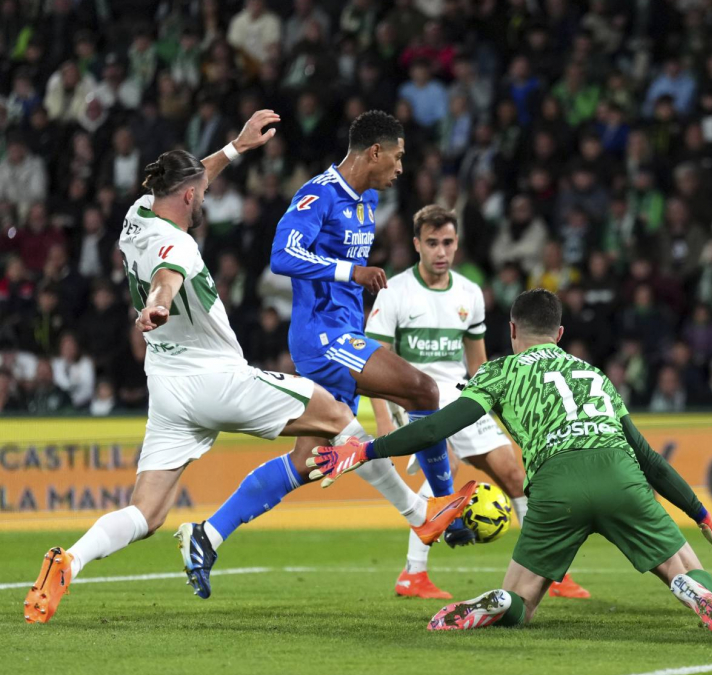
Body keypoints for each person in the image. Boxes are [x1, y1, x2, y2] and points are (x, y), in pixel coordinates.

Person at [22, 112, 475, 624]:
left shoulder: (137, 215)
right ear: (189, 198)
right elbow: (170, 274)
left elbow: (193, 181)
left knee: (146, 514)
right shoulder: (182, 246)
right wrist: (159, 302)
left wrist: (236, 148)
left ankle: (70, 561)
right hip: (216, 378)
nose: (204, 200)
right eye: (200, 195)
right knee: (338, 420)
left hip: (167, 388)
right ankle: (423, 515)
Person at [310, 289, 712, 633]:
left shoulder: (499, 372)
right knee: (684, 564)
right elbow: (650, 459)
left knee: (521, 601)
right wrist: (706, 518)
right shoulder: (594, 373)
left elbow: (434, 428)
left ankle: (500, 602)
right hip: (619, 474)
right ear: (559, 334)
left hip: (556, 487)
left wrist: (364, 450)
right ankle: (688, 587)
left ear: (513, 330)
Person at [261, 109, 472, 546]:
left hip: (345, 330)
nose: (400, 168)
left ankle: (209, 532)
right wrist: (349, 273)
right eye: (396, 158)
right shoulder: (318, 195)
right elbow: (281, 256)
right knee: (424, 390)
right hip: (323, 335)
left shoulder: (369, 200)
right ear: (374, 151)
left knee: (305, 462)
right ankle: (442, 505)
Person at [364, 205, 591, 600]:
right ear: (417, 244)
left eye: (448, 242)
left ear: (456, 244)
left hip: (461, 397)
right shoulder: (394, 291)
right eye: (432, 243)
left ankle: (547, 572)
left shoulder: (469, 294)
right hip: (413, 398)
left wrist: (506, 416)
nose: (441, 251)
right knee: (445, 470)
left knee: (515, 475)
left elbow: (478, 364)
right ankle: (413, 574)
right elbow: (373, 359)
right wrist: (384, 417)